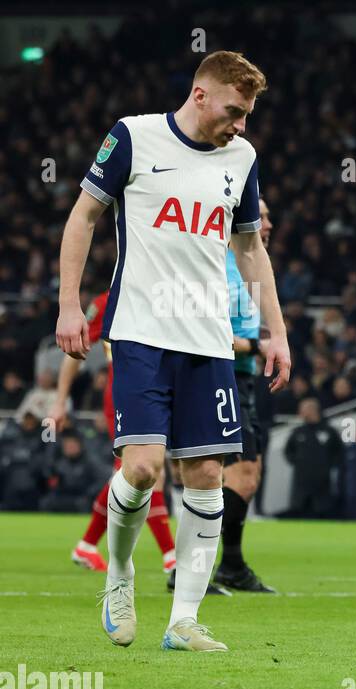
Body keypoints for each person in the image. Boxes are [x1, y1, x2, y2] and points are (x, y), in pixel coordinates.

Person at [55, 51, 290, 652]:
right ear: (201, 93)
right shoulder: (133, 136)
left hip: (208, 341)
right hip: (139, 331)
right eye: (235, 111)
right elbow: (83, 216)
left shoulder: (243, 159)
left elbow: (249, 250)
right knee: (140, 469)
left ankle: (183, 620)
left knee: (208, 473)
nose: (240, 124)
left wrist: (277, 331)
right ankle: (119, 573)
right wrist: (69, 304)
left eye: (248, 114)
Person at [51, 289, 180, 579]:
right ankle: (172, 558)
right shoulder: (110, 298)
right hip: (127, 393)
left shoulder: (172, 289)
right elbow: (76, 348)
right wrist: (60, 401)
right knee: (147, 471)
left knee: (129, 473)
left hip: (162, 390)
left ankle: (86, 545)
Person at [214, 198, 277, 592]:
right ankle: (197, 565)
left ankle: (230, 565)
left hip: (244, 377)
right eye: (262, 216)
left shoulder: (250, 265)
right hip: (222, 376)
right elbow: (207, 328)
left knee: (246, 474)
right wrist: (256, 348)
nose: (268, 223)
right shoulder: (218, 264)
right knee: (234, 473)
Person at [284, 397, 344, 518]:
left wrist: (329, 465)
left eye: (302, 409)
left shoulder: (329, 431)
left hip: (322, 484)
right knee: (302, 515)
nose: (300, 413)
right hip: (302, 484)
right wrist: (298, 462)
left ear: (312, 410)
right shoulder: (298, 432)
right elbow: (288, 451)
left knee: (323, 514)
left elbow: (340, 452)